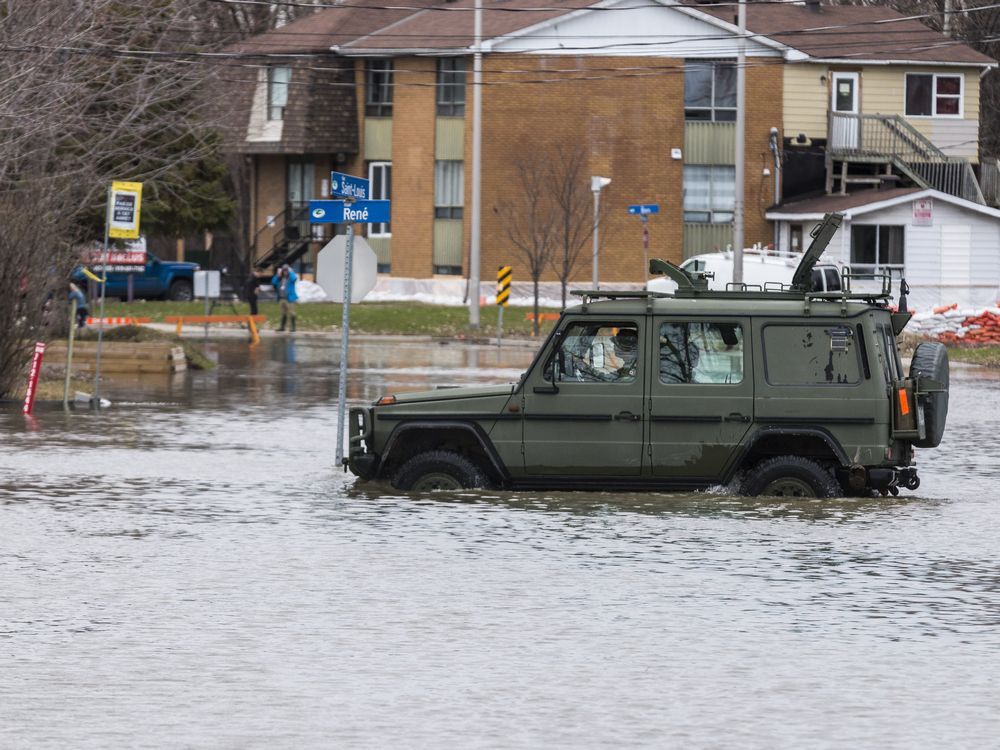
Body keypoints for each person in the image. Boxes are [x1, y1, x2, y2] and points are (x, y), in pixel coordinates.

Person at [272, 264, 298, 332]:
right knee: (283, 313)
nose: (285, 272)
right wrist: (277, 275)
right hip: (281, 298)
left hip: (289, 299)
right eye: (284, 271)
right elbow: (273, 282)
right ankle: (282, 327)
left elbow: (294, 278)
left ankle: (293, 327)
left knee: (292, 313)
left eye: (286, 271)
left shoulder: (291, 278)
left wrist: (291, 272)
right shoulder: (279, 278)